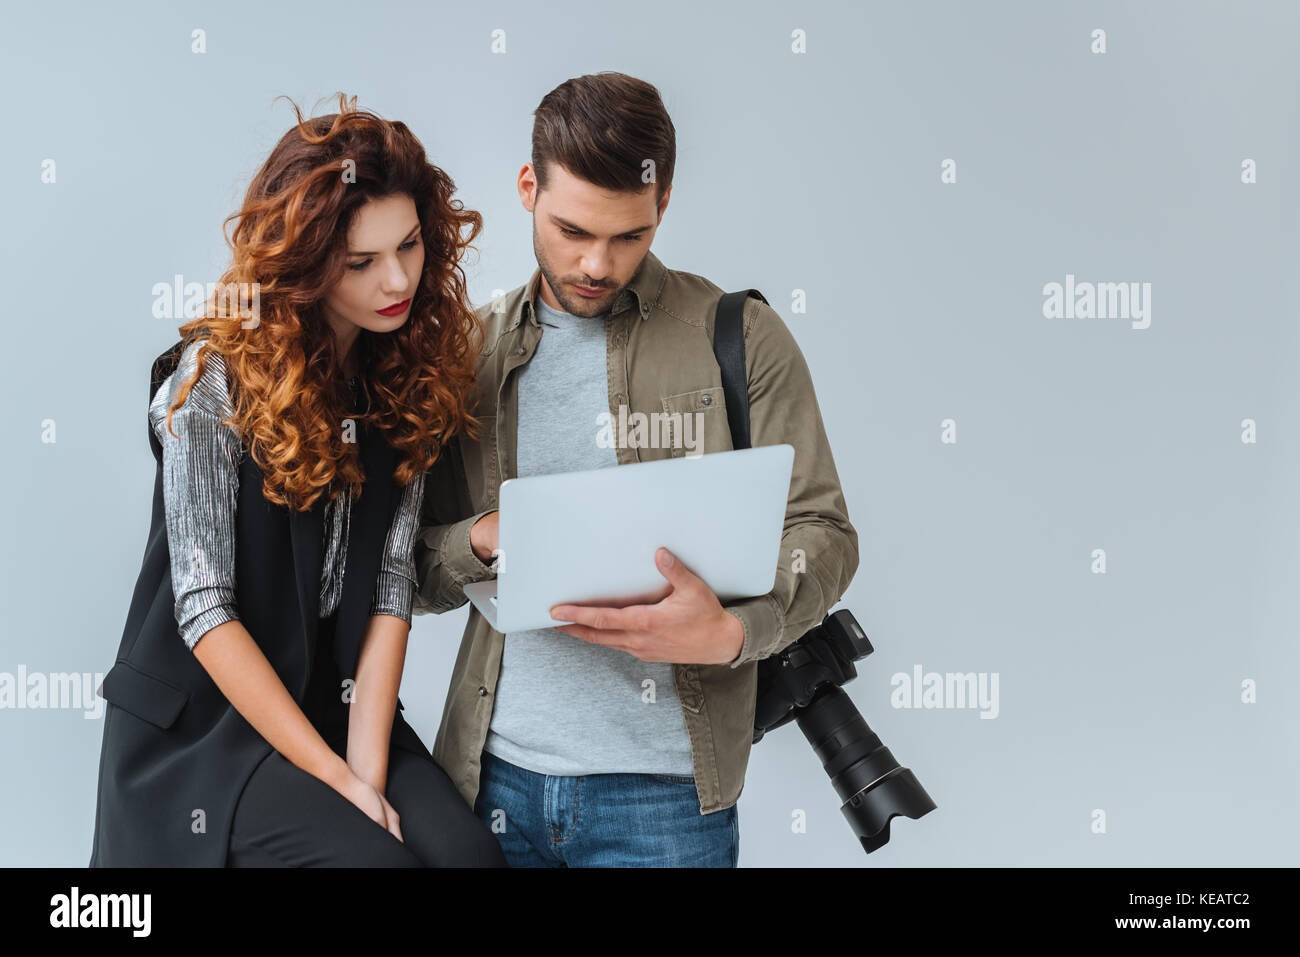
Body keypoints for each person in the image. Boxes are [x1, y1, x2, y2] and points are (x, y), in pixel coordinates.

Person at [413, 72, 860, 867]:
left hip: (665, 803)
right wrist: (479, 539)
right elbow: (406, 568)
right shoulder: (465, 355)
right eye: (572, 229)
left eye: (630, 236)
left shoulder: (741, 336)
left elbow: (822, 530)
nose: (596, 262)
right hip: (490, 781)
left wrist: (732, 632)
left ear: (663, 204)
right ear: (527, 187)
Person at [90, 94, 506, 867]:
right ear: (307, 266)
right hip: (204, 728)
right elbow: (205, 610)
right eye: (362, 262)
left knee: (470, 859)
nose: (397, 279)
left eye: (410, 246)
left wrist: (367, 772)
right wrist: (336, 784)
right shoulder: (210, 381)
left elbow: (389, 586)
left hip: (331, 700)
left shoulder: (407, 373)